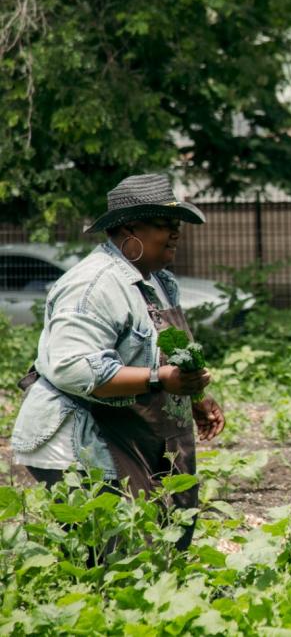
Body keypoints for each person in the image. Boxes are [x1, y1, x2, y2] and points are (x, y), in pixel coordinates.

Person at [10, 173, 225, 550]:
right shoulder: (94, 285)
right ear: (129, 229)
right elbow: (74, 368)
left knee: (157, 542)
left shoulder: (157, 280)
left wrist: (193, 396)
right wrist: (160, 379)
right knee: (115, 553)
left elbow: (170, 352)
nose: (175, 233)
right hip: (79, 438)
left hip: (127, 429)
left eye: (177, 225)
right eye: (164, 225)